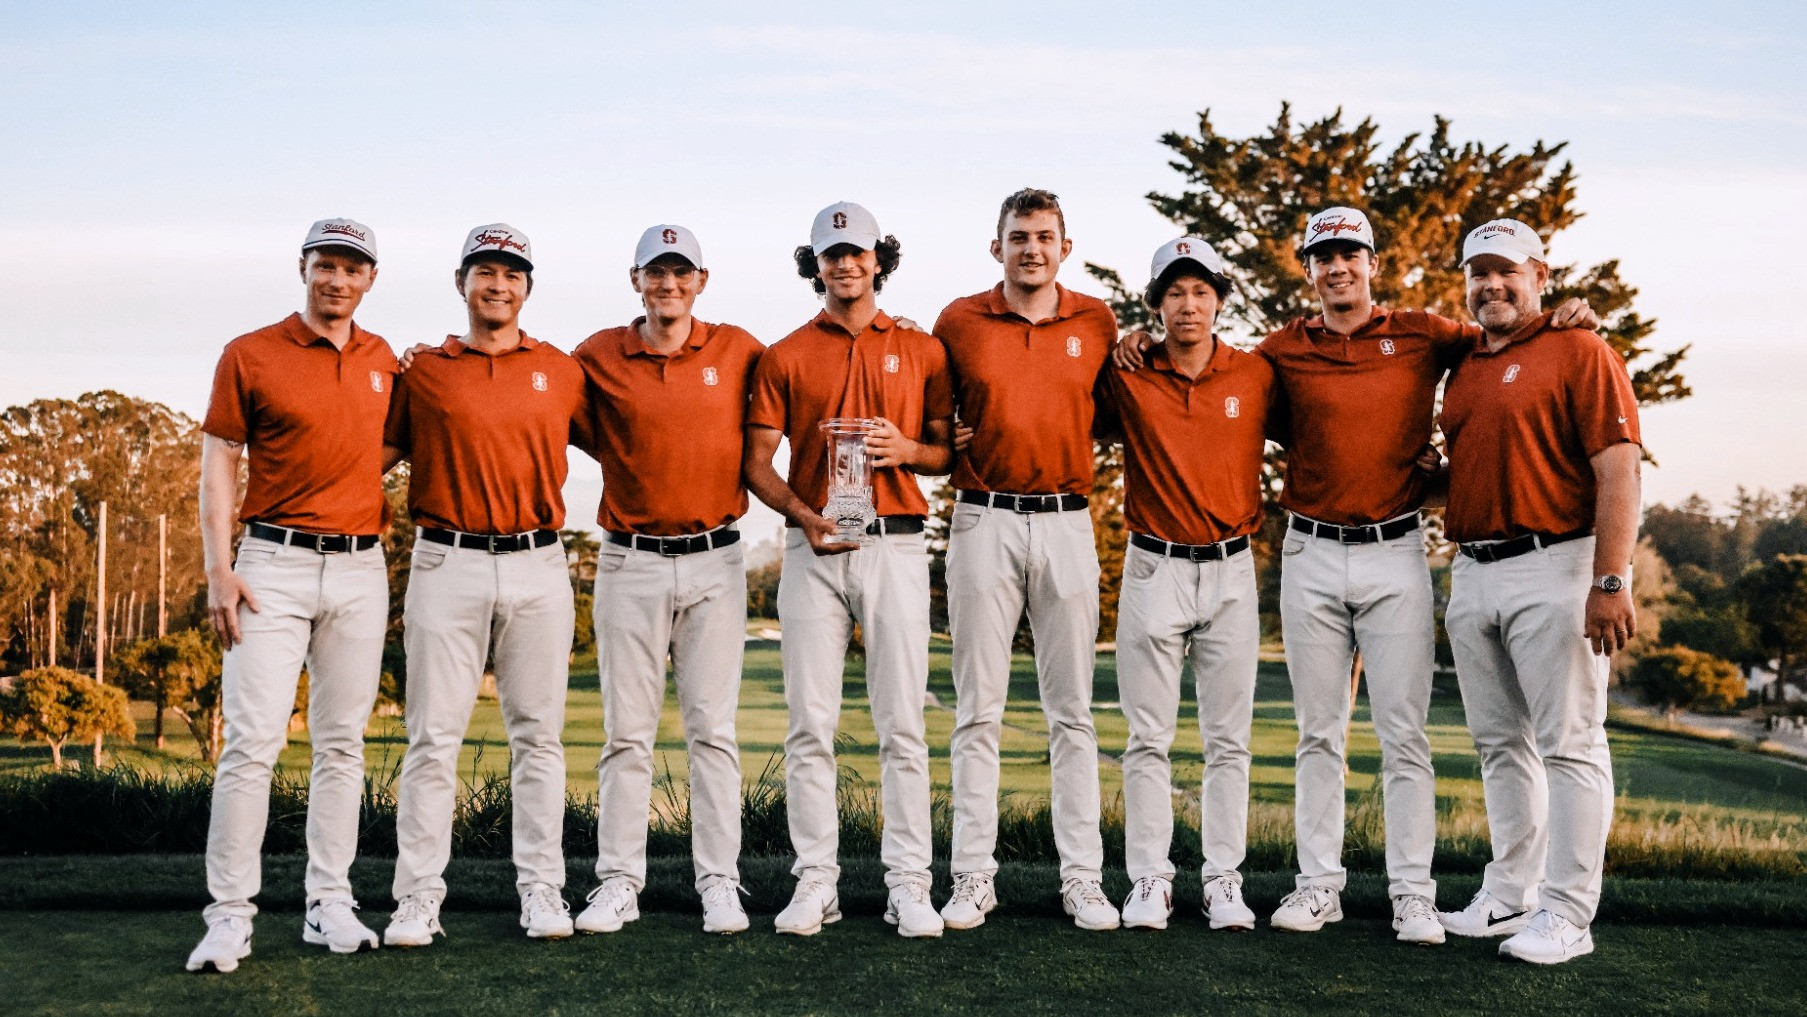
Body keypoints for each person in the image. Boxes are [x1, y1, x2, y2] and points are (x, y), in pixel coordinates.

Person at [1113, 207, 1596, 944]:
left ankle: (1409, 891)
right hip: (1307, 552)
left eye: (1349, 253)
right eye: (1322, 255)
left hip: (1395, 549)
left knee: (1403, 733)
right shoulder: (1277, 352)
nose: (1337, 266)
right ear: (1306, 269)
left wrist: (1565, 317)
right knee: (1318, 732)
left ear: (1372, 261)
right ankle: (1318, 885)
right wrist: (1140, 341)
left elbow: (1505, 334)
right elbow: (1207, 378)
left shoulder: (1428, 334)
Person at [187, 218, 396, 973]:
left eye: (353, 268)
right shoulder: (249, 353)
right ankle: (229, 915)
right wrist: (219, 566)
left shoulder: (384, 362)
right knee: (252, 745)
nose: (338, 279)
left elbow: (383, 446)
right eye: (326, 265)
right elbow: (218, 463)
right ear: (303, 268)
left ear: (371, 278)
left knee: (342, 744)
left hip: (360, 568)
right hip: (269, 562)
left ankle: (327, 902)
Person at [743, 201, 954, 938]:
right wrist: (803, 515)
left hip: (896, 545)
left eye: (856, 252)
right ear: (815, 264)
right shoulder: (785, 353)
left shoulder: (924, 349)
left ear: (877, 260)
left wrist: (907, 452)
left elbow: (946, 452)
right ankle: (815, 885)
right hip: (813, 550)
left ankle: (908, 886)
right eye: (830, 253)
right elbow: (755, 464)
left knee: (902, 724)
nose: (844, 264)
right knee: (810, 725)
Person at [1436, 219, 1640, 965]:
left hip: (1556, 561)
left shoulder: (1580, 349)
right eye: (1476, 273)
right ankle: (1509, 893)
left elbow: (1618, 468)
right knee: (1499, 745)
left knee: (1570, 744)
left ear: (1538, 274)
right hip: (1473, 566)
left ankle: (1565, 914)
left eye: (1505, 271)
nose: (1491, 285)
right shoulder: (1464, 364)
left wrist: (1608, 578)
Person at [381, 224, 586, 946]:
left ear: (527, 286)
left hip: (538, 562)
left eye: (512, 273)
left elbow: (640, 436)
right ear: (462, 281)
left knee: (538, 736)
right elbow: (370, 450)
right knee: (433, 737)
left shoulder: (562, 370)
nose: (498, 284)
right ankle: (416, 897)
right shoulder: (423, 369)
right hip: (445, 559)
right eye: (484, 271)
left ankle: (541, 890)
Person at [569, 225, 763, 937]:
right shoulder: (595, 354)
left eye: (681, 273)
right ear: (636, 280)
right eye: (657, 273)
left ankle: (719, 882)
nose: (668, 285)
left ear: (701, 282)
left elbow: (798, 397)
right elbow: (541, 406)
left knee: (712, 731)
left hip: (716, 559)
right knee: (627, 733)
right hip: (629, 560)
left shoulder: (738, 349)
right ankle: (620, 882)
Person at [934, 188, 1120, 932]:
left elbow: (1109, 411)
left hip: (1068, 521)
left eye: (1044, 237)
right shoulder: (958, 320)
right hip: (982, 518)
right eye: (1018, 237)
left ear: (1063, 248)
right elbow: (930, 403)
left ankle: (1081, 878)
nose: (1031, 249)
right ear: (996, 247)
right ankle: (973, 877)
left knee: (1071, 712)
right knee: (977, 710)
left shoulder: (1096, 320)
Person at [1095, 237, 1272, 932]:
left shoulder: (1256, 374)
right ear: (1156, 305)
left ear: (1220, 301)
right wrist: (1123, 346)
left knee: (1228, 739)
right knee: (1148, 736)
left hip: (1231, 566)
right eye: (1174, 292)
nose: (1188, 304)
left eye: (1200, 291)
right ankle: (1149, 879)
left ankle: (1223, 880)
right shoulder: (1127, 373)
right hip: (1151, 565)